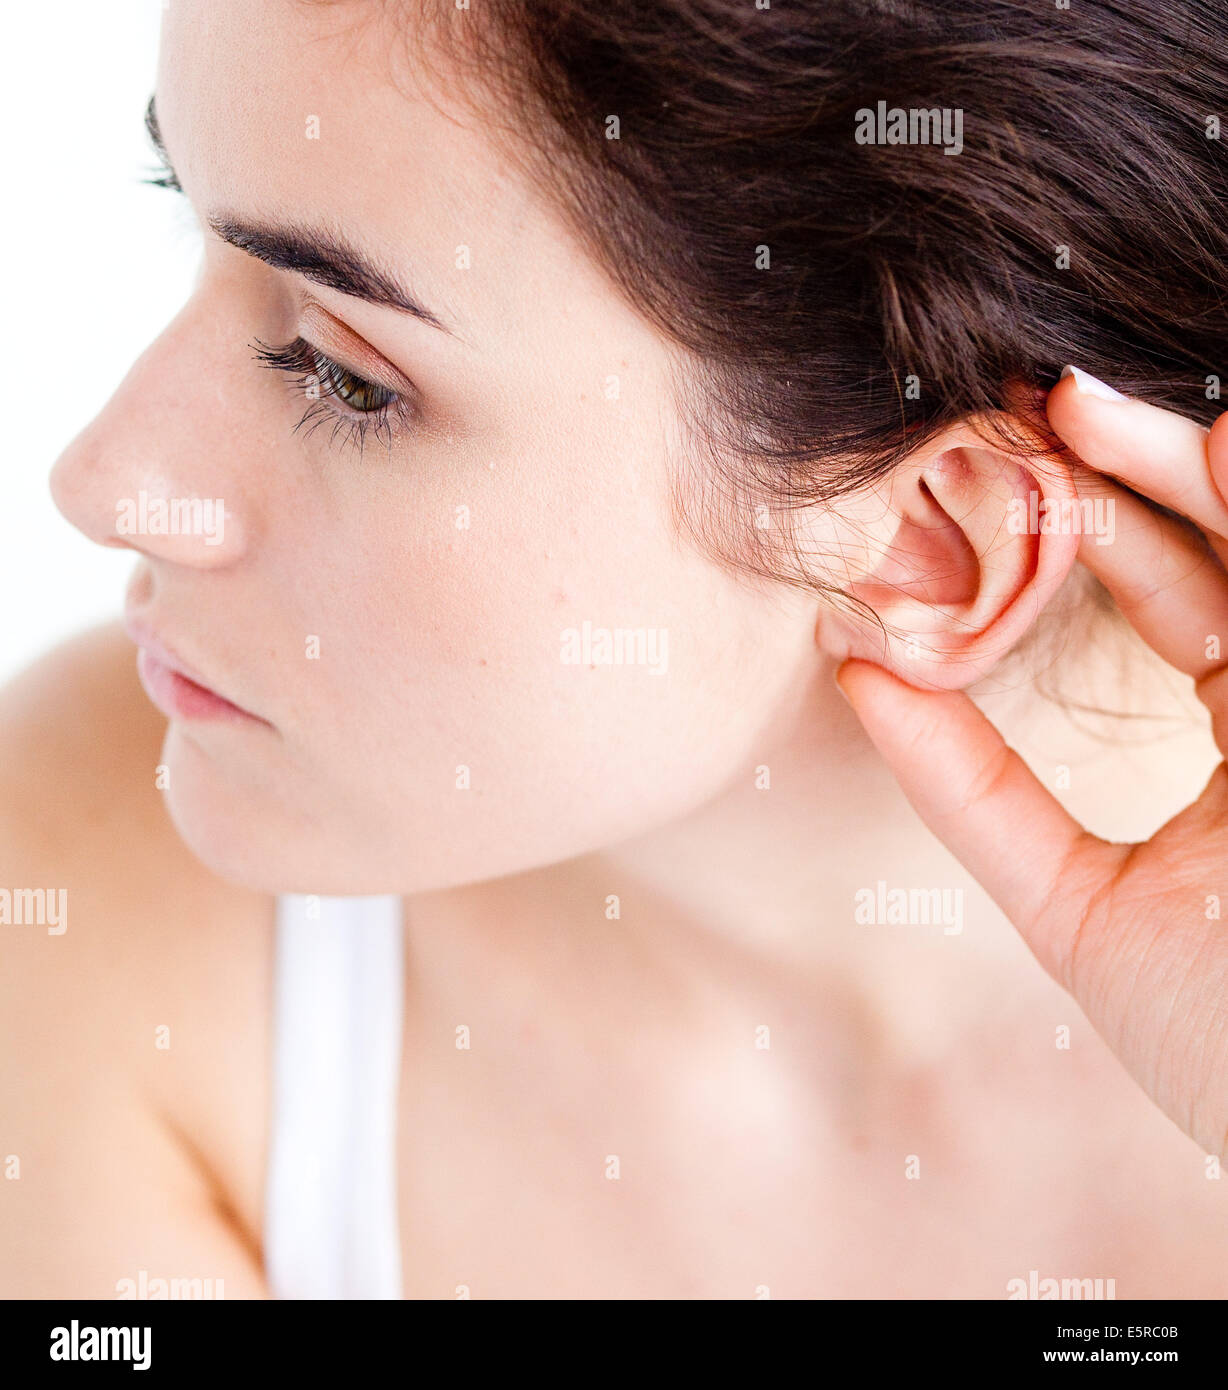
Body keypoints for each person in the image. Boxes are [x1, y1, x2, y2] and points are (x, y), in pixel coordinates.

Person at [3, 0, 1227, 1298]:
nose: (106, 481)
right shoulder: (91, 908)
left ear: (931, 548)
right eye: (175, 199)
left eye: (344, 375)